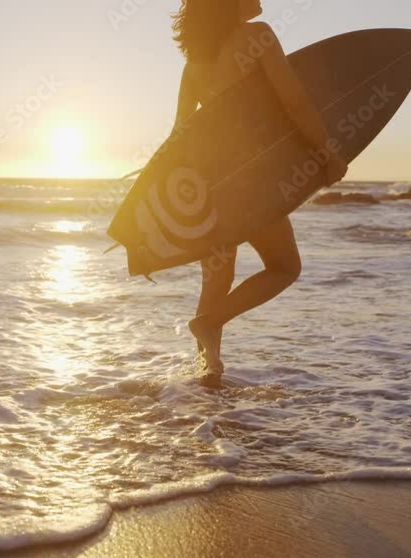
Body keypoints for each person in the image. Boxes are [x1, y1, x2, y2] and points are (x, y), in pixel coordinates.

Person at [171, 0, 348, 384]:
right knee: (285, 266)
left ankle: (209, 370)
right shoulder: (258, 37)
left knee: (217, 280)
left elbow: (180, 136)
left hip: (208, 184)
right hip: (250, 181)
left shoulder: (194, 66)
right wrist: (326, 154)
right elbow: (295, 102)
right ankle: (208, 324)